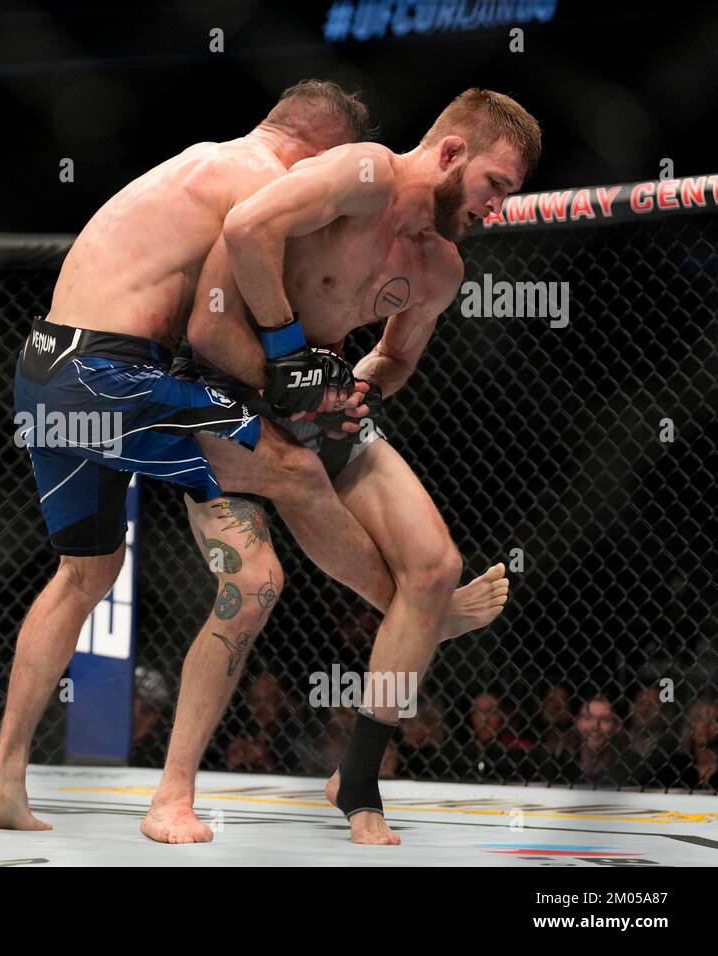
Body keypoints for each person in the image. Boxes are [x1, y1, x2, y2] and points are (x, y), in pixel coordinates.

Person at [0, 80, 378, 831]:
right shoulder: (266, 188)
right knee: (295, 468)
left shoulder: (204, 161)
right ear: (325, 154)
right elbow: (222, 331)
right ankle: (416, 607)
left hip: (45, 364)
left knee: (86, 571)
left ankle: (4, 768)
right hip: (112, 371)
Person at [146, 88, 539, 844]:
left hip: (310, 402)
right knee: (251, 585)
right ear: (452, 152)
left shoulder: (441, 270)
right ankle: (173, 792)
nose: (497, 207)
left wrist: (357, 389)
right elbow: (247, 225)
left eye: (508, 196)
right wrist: (289, 355)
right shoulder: (363, 174)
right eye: (496, 185)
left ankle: (357, 778)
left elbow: (392, 356)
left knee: (435, 567)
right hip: (222, 385)